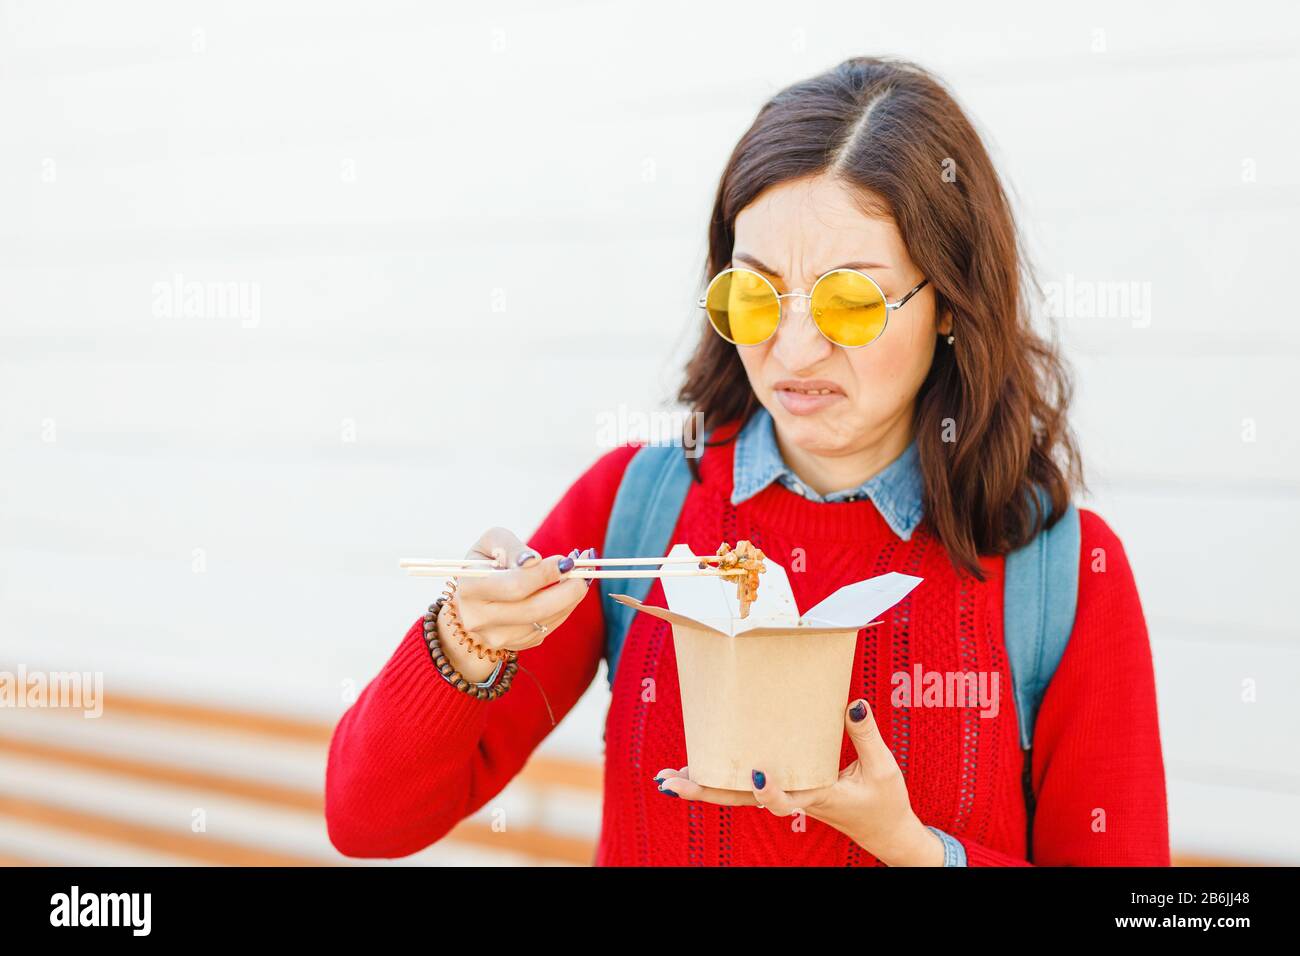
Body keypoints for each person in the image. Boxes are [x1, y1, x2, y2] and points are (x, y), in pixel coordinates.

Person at [325, 56, 1169, 866]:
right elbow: (366, 822)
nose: (793, 349)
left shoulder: (1062, 572)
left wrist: (914, 850)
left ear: (949, 303)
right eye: (755, 294)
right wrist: (462, 638)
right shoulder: (640, 505)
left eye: (850, 300)